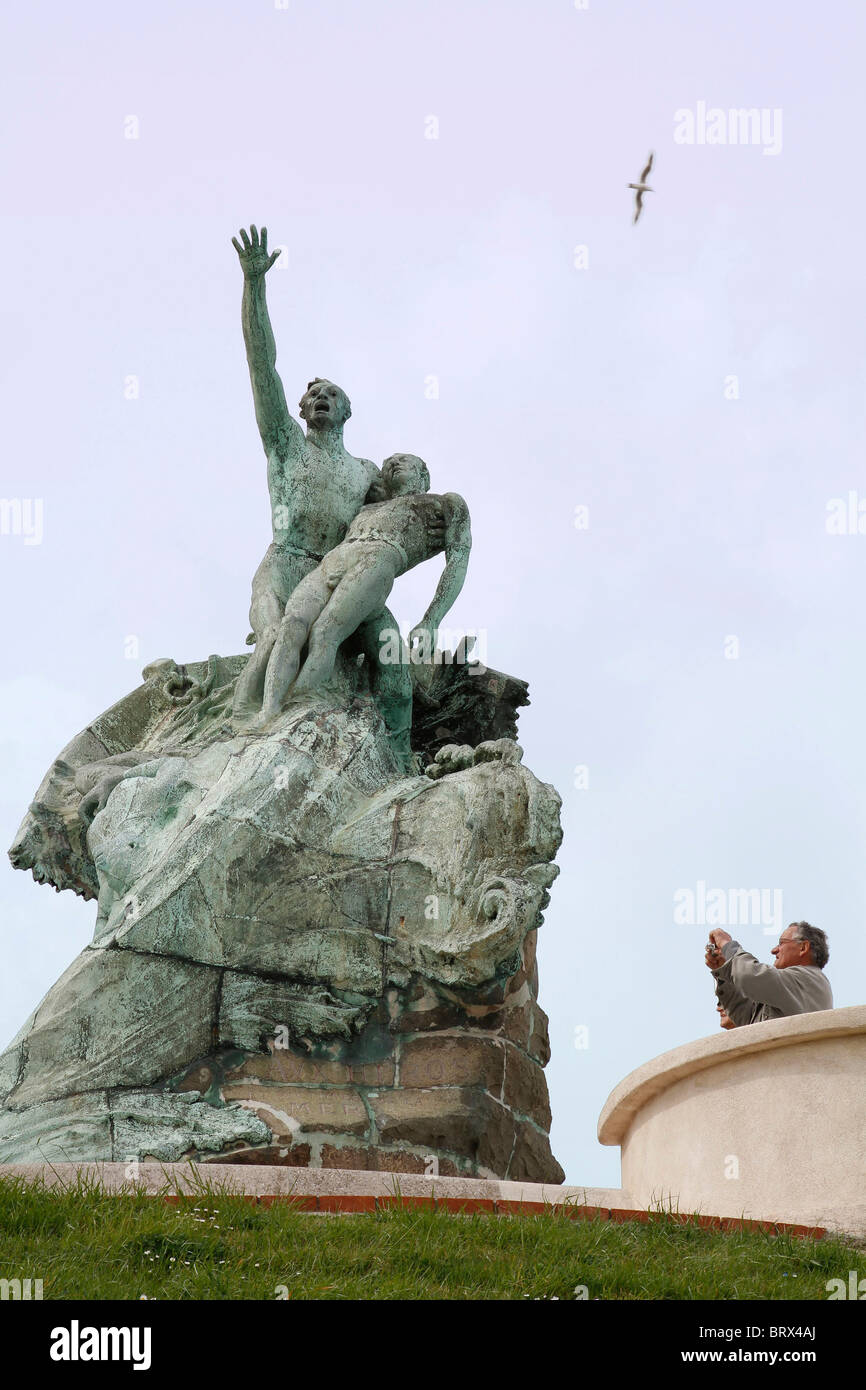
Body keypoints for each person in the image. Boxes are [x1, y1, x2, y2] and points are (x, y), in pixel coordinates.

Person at [228, 225, 443, 753]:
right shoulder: (286, 445)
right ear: (302, 412)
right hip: (286, 565)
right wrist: (255, 286)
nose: (320, 398)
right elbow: (263, 368)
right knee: (275, 640)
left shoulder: (367, 473)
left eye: (331, 394)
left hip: (341, 574)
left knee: (391, 657)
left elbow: (404, 515)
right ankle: (247, 725)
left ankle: (397, 761)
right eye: (314, 395)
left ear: (347, 411)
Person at [256, 453, 471, 723]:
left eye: (404, 459)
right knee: (293, 624)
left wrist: (431, 619)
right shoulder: (366, 507)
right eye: (388, 462)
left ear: (424, 474)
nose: (393, 462)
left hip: (379, 559)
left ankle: (295, 707)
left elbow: (458, 561)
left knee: (325, 631)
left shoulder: (445, 503)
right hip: (334, 559)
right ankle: (268, 711)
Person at [706, 921, 832, 1026]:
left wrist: (728, 945)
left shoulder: (808, 979)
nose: (774, 950)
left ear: (803, 948)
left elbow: (749, 976)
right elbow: (745, 1017)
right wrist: (724, 967)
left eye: (782, 943)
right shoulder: (789, 988)